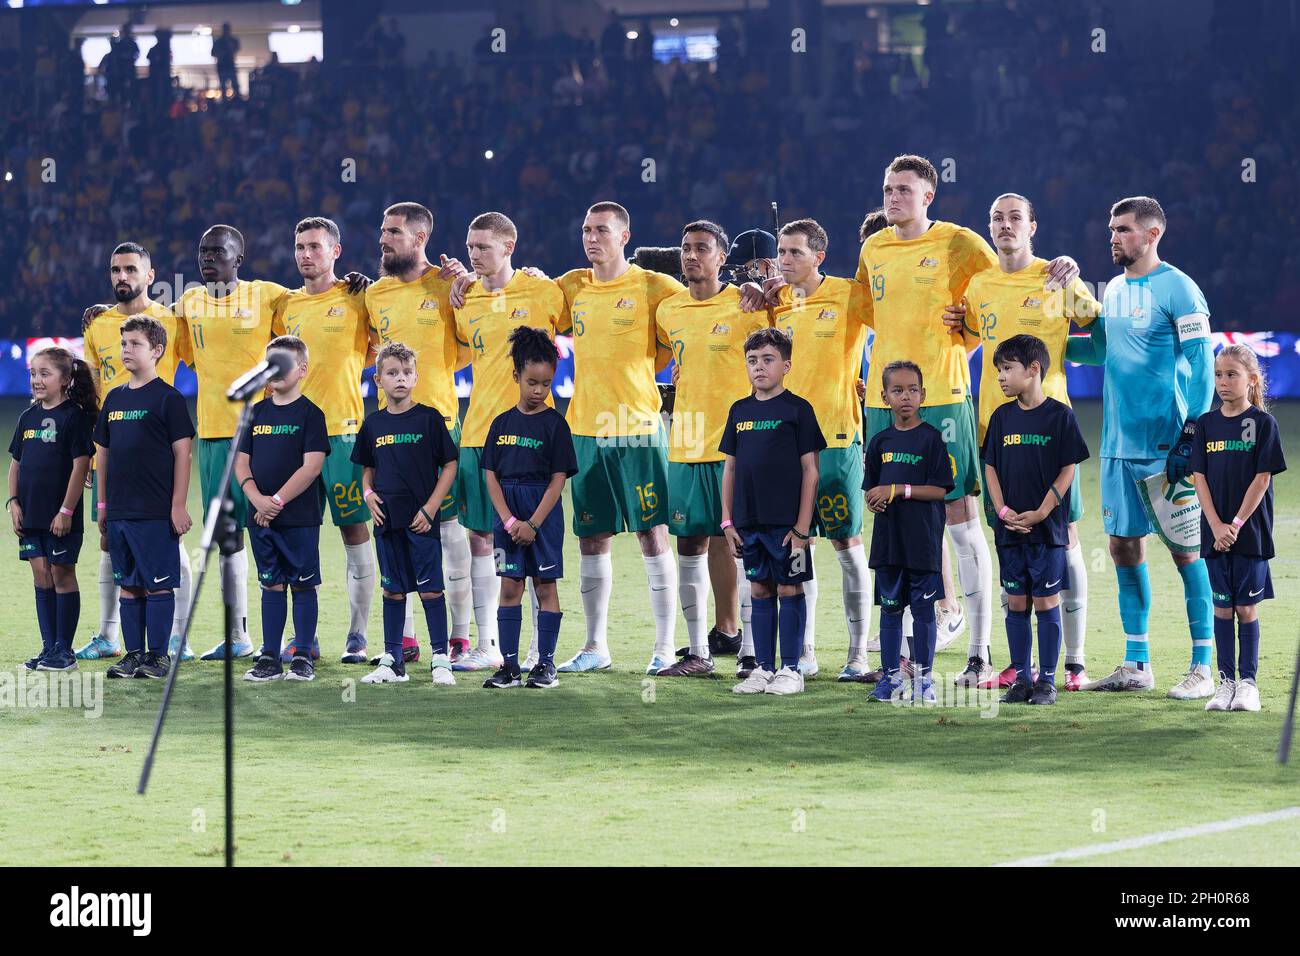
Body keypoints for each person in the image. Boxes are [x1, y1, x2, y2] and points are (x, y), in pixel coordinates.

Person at [953, 193, 1100, 690]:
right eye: (997, 217)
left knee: (1065, 540)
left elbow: (1095, 327)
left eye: (1016, 217)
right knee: (1010, 542)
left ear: (1033, 226)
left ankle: (1075, 662)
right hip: (996, 429)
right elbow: (969, 333)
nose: (1005, 225)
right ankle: (1017, 663)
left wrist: (1075, 271)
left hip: (1050, 432)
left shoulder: (1057, 277)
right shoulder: (979, 285)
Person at [1080, 197, 1218, 698]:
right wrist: (1046, 343)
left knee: (1188, 553)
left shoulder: (1179, 288)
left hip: (1167, 446)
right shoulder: (1113, 289)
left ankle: (1204, 665)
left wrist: (1193, 433)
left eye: (1123, 229)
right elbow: (1098, 349)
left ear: (1153, 233)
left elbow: (1203, 364)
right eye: (1111, 229)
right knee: (1122, 546)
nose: (1112, 237)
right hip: (1118, 445)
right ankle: (1137, 663)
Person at [554, 202, 684, 674]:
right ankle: (595, 647)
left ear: (625, 236)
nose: (592, 238)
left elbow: (686, 323)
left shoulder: (654, 286)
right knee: (592, 536)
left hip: (639, 428)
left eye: (602, 230)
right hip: (585, 429)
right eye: (586, 230)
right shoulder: (571, 287)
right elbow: (526, 299)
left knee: (653, 534)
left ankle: (665, 648)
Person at [654, 220, 768, 678]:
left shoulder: (747, 307)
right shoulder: (669, 311)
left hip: (735, 448)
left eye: (702, 248)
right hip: (684, 443)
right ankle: (700, 652)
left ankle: (749, 652)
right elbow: (674, 360)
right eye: (685, 248)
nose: (691, 256)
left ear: (723, 257)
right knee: (690, 542)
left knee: (738, 543)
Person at [453, 212, 565, 674]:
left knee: (538, 551)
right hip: (479, 434)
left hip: (536, 440)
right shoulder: (463, 298)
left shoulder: (545, 291)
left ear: (509, 245)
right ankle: (490, 645)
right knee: (482, 540)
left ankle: (542, 655)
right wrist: (455, 282)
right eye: (470, 246)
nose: (474, 254)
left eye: (483, 246)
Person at [364, 202, 474, 664]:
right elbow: (370, 347)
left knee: (449, 532)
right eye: (383, 231)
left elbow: (470, 348)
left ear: (420, 237)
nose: (384, 239)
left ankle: (464, 639)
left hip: (439, 422)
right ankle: (404, 641)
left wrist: (466, 279)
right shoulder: (373, 294)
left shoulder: (448, 283)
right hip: (388, 429)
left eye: (393, 232)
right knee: (394, 526)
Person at [765, 219, 874, 681]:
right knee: (797, 546)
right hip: (787, 448)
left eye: (794, 253)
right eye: (781, 253)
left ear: (819, 257)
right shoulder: (777, 304)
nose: (784, 261)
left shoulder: (850, 295)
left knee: (848, 546)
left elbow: (894, 323)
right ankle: (804, 650)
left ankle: (857, 655)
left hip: (838, 440)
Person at [175, 225, 289, 661]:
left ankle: (293, 638)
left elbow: (318, 304)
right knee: (228, 538)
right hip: (214, 435)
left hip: (263, 436)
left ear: (238, 258)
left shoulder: (269, 297)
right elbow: (160, 330)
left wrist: (355, 283)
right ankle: (239, 634)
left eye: (217, 251)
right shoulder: (189, 303)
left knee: (272, 530)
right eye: (202, 251)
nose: (207, 258)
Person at [77, 242, 192, 662]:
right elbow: (91, 393)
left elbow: (202, 360)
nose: (121, 276)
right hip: (112, 451)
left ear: (149, 275)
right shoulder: (98, 324)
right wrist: (93, 454)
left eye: (130, 269)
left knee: (167, 541)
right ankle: (110, 636)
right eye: (115, 269)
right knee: (111, 544)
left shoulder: (173, 320)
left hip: (155, 455)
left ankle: (176, 637)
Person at [274, 217, 378, 666]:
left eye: (315, 246)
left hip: (344, 431)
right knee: (298, 536)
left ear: (336, 251)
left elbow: (380, 345)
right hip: (294, 438)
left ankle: (357, 635)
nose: (305, 254)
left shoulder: (358, 297)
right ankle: (305, 638)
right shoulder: (285, 306)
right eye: (299, 246)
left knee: (355, 530)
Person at [981, 335, 1090, 706]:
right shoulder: (1000, 417)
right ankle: (1021, 678)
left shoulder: (1060, 416)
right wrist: (1002, 511)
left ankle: (1046, 681)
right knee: (1015, 601)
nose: (1000, 377)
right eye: (998, 369)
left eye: (1007, 368)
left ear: (1033, 370)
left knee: (1045, 602)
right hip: (1009, 528)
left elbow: (1068, 469)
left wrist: (1044, 511)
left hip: (1047, 529)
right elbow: (990, 467)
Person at [724, 328, 826, 696]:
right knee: (759, 589)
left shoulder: (798, 410)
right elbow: (730, 468)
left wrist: (802, 528)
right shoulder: (739, 410)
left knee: (788, 586)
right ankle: (764, 668)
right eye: (752, 361)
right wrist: (727, 521)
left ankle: (791, 669)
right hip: (749, 523)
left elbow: (811, 471)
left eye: (767, 360)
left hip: (787, 526)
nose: (759, 367)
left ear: (786, 365)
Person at [353, 342, 460, 685]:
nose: (400, 378)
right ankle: (393, 660)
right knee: (392, 591)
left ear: (416, 377)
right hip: (387, 521)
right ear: (378, 380)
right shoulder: (373, 424)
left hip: (421, 520)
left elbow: (450, 464)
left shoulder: (428, 418)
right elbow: (367, 468)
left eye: (406, 373)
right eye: (392, 373)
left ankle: (440, 659)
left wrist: (431, 508)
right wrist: (368, 494)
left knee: (430, 590)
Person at [96, 317, 195, 680]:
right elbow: (102, 455)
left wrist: (177, 504)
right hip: (120, 510)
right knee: (128, 584)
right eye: (123, 344)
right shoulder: (114, 399)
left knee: (158, 584)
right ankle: (133, 655)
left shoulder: (168, 398)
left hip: (154, 511)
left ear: (156, 350)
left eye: (135, 344)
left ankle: (158, 656)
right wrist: (103, 506)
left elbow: (183, 454)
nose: (126, 350)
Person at [480, 327, 579, 690]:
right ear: (516, 376)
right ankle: (508, 667)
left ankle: (545, 665)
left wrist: (533, 524)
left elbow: (558, 480)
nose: (539, 391)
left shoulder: (556, 425)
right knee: (509, 587)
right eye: (532, 382)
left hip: (543, 515)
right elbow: (490, 475)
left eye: (547, 384)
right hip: (507, 516)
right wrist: (508, 520)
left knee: (545, 586)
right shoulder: (501, 424)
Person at [1191, 345, 1286, 712]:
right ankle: (1225, 683)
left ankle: (1248, 684)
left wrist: (1234, 525)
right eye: (1218, 375)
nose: (1223, 382)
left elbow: (1262, 479)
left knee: (1246, 609)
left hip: (1249, 533)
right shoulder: (1206, 423)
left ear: (1251, 380)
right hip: (1214, 533)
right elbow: (1199, 477)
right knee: (1221, 607)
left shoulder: (1263, 424)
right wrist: (1215, 525)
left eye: (1232, 375)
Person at [235, 337, 329, 683]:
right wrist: (256, 498)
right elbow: (241, 463)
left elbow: (312, 467)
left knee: (303, 585)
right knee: (270, 584)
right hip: (259, 516)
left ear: (302, 370)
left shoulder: (310, 414)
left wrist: (275, 502)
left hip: (298, 517)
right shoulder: (253, 412)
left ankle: (303, 654)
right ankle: (269, 657)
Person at [863, 361, 954, 704]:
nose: (906, 396)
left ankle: (924, 680)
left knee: (923, 612)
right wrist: (874, 500)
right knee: (889, 610)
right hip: (889, 543)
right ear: (884, 396)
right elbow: (872, 487)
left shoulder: (931, 439)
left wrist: (899, 490)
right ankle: (889, 679)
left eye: (913, 390)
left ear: (923, 395)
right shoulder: (879, 442)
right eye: (898, 390)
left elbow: (941, 490)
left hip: (922, 543)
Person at [8, 348, 97, 671]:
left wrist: (66, 512)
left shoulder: (74, 416)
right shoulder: (27, 417)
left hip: (60, 516)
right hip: (30, 514)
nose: (36, 380)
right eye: (33, 373)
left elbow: (80, 466)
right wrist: (13, 502)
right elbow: (16, 464)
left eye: (45, 373)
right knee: (41, 576)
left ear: (66, 379)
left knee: (61, 574)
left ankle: (65, 650)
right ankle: (49, 649)